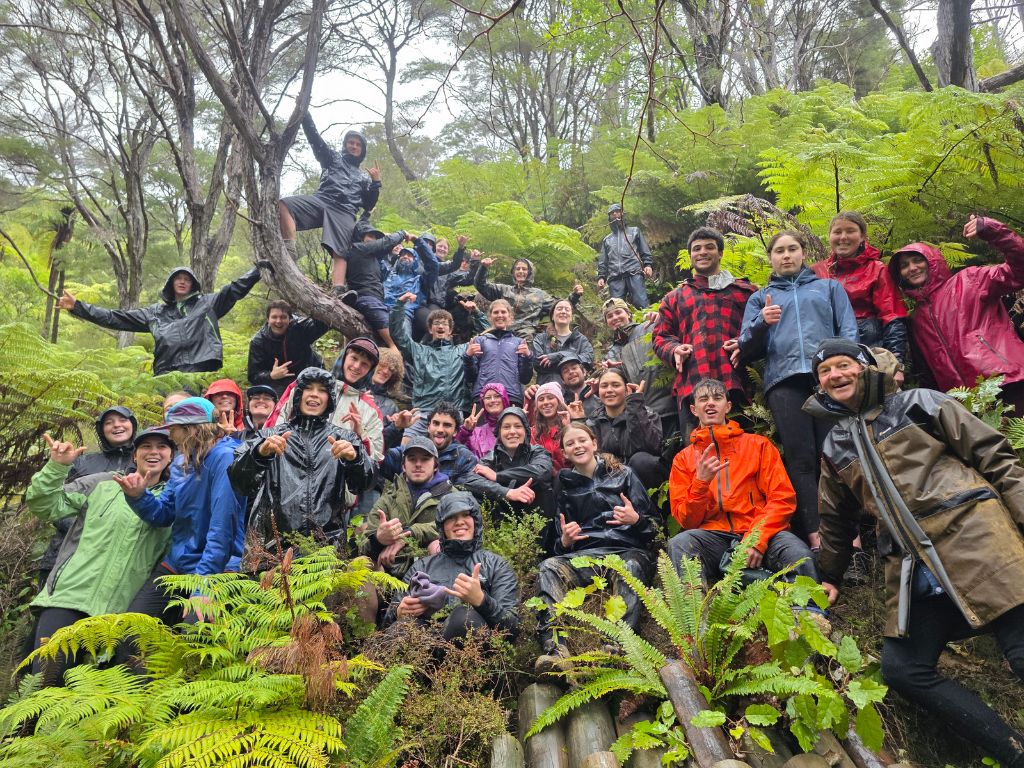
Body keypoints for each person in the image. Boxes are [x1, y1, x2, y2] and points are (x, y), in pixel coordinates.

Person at [805, 337, 1024, 768]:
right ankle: (1013, 752)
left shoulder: (920, 403)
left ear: (866, 367)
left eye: (843, 364)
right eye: (825, 371)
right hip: (914, 570)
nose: (835, 375)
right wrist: (829, 575)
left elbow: (994, 456)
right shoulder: (835, 445)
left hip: (977, 540)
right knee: (903, 668)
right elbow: (834, 519)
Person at [24, 428, 174, 686]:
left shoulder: (174, 500)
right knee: (45, 683)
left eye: (161, 447)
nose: (153, 452)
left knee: (103, 695)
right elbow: (45, 505)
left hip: (123, 612)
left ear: (171, 456)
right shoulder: (103, 484)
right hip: (70, 596)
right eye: (146, 446)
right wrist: (57, 467)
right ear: (134, 455)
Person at [738, 231, 857, 548]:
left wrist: (846, 368)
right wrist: (761, 322)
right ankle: (818, 541)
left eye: (792, 249)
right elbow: (745, 347)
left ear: (804, 253)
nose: (786, 255)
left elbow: (848, 331)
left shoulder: (829, 288)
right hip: (784, 381)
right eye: (779, 251)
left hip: (828, 378)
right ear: (771, 258)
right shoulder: (760, 298)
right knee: (800, 459)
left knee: (836, 455)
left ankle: (852, 542)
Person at [534, 422, 661, 674]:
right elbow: (556, 545)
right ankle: (555, 650)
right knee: (548, 567)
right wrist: (565, 541)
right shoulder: (564, 484)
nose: (577, 446)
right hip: (585, 557)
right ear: (564, 453)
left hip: (626, 551)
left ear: (594, 443)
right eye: (570, 444)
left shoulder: (624, 474)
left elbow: (656, 529)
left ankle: (616, 648)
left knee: (630, 567)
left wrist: (636, 519)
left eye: (582, 440)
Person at [666, 378, 817, 585]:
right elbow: (687, 521)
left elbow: (782, 499)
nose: (710, 403)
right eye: (703, 399)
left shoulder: (759, 445)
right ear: (694, 409)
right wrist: (700, 483)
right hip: (712, 538)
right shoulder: (683, 459)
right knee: (680, 544)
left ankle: (807, 606)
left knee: (799, 555)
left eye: (717, 398)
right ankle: (695, 606)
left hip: (762, 532)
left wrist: (756, 539)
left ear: (728, 406)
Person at [114, 397, 247, 625]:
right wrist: (139, 496)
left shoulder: (226, 457)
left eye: (173, 429)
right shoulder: (181, 462)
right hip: (178, 563)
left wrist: (205, 584)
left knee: (193, 635)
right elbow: (164, 514)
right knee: (133, 629)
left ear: (190, 430)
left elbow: (223, 527)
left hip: (220, 567)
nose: (170, 435)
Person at [890, 214, 1024, 415]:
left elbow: (1019, 269)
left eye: (917, 260)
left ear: (932, 261)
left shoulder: (969, 280)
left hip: (1008, 382)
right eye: (904, 265)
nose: (912, 268)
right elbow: (928, 375)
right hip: (965, 406)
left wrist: (991, 229)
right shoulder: (916, 319)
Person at [230, 368, 374, 553]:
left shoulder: (345, 439)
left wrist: (355, 459)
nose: (314, 394)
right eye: (308, 388)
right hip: (275, 549)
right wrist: (259, 454)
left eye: (322, 390)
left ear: (329, 398)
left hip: (327, 550)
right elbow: (239, 483)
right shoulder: (269, 437)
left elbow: (364, 484)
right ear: (298, 394)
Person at [57, 265, 264, 375]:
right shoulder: (155, 312)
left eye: (187, 279)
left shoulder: (208, 303)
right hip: (166, 372)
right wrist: (78, 307)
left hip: (201, 368)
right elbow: (115, 318)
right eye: (178, 278)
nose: (182, 282)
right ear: (171, 283)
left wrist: (256, 272)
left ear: (193, 284)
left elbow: (233, 290)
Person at [652, 228, 758, 434]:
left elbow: (761, 329)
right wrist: (674, 350)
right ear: (690, 256)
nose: (702, 252)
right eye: (697, 249)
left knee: (742, 445)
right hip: (691, 385)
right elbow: (660, 336)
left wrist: (744, 342)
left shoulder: (744, 292)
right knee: (696, 448)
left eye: (709, 247)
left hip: (736, 382)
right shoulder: (675, 298)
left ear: (720, 253)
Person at [386, 491, 520, 639]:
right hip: (426, 646)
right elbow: (385, 624)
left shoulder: (496, 565)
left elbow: (513, 627)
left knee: (463, 618)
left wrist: (482, 601)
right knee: (401, 628)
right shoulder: (421, 567)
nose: (459, 522)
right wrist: (398, 612)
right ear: (442, 526)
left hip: (475, 649)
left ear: (476, 521)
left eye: (466, 515)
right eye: (451, 517)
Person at [279, 111, 380, 301]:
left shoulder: (363, 177)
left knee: (341, 249)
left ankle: (338, 289)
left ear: (362, 150)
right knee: (284, 205)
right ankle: (289, 250)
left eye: (358, 144)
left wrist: (375, 183)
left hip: (346, 211)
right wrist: (305, 114)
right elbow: (315, 139)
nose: (354, 146)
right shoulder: (333, 158)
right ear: (345, 145)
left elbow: (369, 204)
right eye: (351, 142)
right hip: (323, 199)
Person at [36, 406, 140, 589]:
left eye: (123, 420)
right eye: (109, 423)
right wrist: (89, 529)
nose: (117, 425)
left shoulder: (145, 462)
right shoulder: (81, 462)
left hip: (116, 559)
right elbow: (55, 503)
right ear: (101, 430)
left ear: (133, 424)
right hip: (66, 553)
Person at [812, 212, 908, 368]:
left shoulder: (876, 270)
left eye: (850, 231)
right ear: (829, 236)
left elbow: (892, 317)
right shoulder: (817, 271)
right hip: (825, 352)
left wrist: (895, 363)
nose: (843, 237)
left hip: (869, 351)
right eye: (837, 232)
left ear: (862, 236)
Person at [269, 337, 385, 463]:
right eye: (354, 358)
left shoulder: (370, 409)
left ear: (370, 371)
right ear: (344, 357)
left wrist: (360, 433)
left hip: (337, 473)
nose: (357, 366)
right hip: (291, 466)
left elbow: (376, 460)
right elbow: (272, 428)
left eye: (365, 364)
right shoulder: (305, 384)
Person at [390, 292, 486, 434]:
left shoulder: (463, 350)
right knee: (407, 445)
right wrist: (399, 305)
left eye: (444, 324)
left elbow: (488, 337)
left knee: (454, 447)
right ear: (430, 329)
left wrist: (477, 313)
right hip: (423, 411)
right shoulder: (419, 350)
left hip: (453, 412)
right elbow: (398, 335)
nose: (440, 326)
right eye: (436, 323)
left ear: (450, 330)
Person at [361, 436, 453, 579]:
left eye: (425, 459)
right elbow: (363, 546)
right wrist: (378, 540)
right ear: (403, 465)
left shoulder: (451, 495)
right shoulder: (388, 498)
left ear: (435, 465)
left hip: (432, 574)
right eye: (412, 459)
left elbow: (455, 527)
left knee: (436, 546)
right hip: (390, 574)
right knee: (362, 562)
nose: (418, 464)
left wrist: (409, 534)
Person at [569, 368, 665, 491]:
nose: (609, 390)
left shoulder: (644, 413)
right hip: (609, 482)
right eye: (604, 386)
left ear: (626, 389)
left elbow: (651, 447)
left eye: (615, 385)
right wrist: (579, 421)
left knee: (640, 460)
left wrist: (635, 407)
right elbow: (586, 459)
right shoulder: (593, 421)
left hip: (644, 480)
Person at [475, 406, 554, 523]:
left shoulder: (537, 451)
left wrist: (498, 476)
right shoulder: (490, 458)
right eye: (506, 427)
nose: (512, 431)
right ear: (499, 432)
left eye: (518, 426)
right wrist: (507, 493)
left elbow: (542, 471)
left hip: (536, 519)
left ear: (526, 431)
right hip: (501, 522)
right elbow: (471, 480)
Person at [473, 257, 583, 338]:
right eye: (518, 269)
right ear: (513, 272)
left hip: (525, 334)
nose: (521, 271)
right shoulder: (503, 290)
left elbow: (560, 306)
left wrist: (575, 295)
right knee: (483, 339)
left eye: (524, 269)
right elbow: (480, 285)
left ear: (530, 272)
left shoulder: (539, 294)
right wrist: (483, 268)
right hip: (502, 329)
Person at [344, 221, 410, 350]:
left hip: (374, 297)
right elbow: (386, 242)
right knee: (387, 326)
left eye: (375, 237)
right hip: (366, 297)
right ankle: (394, 349)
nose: (373, 239)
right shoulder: (359, 248)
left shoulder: (371, 256)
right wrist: (403, 233)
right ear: (360, 236)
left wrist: (367, 213)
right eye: (370, 236)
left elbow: (386, 246)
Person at [247, 300, 329, 397]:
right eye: (274, 317)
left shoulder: (300, 327)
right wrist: (271, 375)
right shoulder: (258, 341)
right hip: (277, 381)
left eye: (283, 317)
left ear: (290, 319)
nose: (278, 321)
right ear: (268, 319)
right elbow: (253, 376)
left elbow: (324, 324)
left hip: (309, 374)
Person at [466, 299, 534, 406]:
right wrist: (468, 357)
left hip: (511, 396)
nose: (500, 315)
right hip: (484, 396)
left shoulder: (519, 342)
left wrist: (528, 357)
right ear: (490, 317)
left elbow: (525, 379)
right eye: (496, 312)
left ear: (510, 316)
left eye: (503, 312)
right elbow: (471, 377)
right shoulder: (480, 340)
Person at [597, 203, 653, 308]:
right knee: (617, 307)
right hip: (615, 278)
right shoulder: (607, 240)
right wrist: (601, 277)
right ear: (609, 217)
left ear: (622, 213)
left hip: (634, 272)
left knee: (641, 303)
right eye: (612, 213)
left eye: (617, 211)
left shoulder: (634, 231)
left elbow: (644, 249)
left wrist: (648, 265)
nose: (615, 214)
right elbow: (603, 261)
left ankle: (646, 319)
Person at [531, 299, 594, 385]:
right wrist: (573, 362)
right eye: (559, 309)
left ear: (571, 317)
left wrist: (559, 356)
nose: (563, 312)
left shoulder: (581, 340)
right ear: (552, 316)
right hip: (548, 390)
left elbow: (588, 360)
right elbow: (538, 364)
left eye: (567, 309)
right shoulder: (540, 339)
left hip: (575, 389)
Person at [368, 347, 408, 449]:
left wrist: (395, 426)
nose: (386, 371)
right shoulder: (352, 390)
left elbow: (390, 446)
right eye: (382, 365)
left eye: (391, 369)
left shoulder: (391, 406)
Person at [457, 383, 509, 459]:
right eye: (488, 397)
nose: (492, 400)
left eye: (497, 396)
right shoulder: (475, 433)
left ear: (504, 399)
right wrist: (465, 431)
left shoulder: (516, 428)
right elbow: (456, 449)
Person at [527, 381, 569, 474]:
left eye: (550, 398)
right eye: (541, 399)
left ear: (559, 401)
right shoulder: (532, 433)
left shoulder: (570, 426)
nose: (545, 402)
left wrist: (568, 430)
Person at [557, 354, 601, 420]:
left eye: (574, 368)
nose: (571, 372)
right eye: (565, 371)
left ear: (584, 371)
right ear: (562, 380)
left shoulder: (599, 393)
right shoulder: (562, 402)